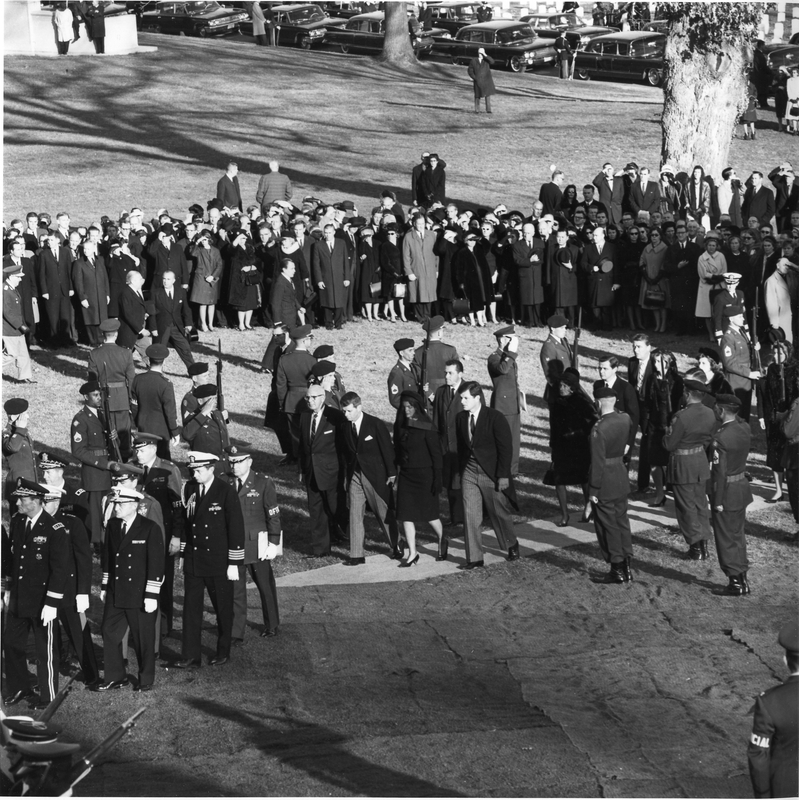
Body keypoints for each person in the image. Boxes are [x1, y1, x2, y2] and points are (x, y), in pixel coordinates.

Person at [1, 479, 70, 709]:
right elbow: (14, 560)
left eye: (22, 499)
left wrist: (52, 603)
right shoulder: (19, 521)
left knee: (45, 650)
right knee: (11, 644)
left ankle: (48, 696)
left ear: (37, 501)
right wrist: (8, 589)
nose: (17, 503)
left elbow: (60, 569)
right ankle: (19, 687)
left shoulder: (54, 529)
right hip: (19, 597)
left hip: (42, 601)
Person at [175, 451, 245, 669]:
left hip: (218, 561)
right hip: (195, 559)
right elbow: (187, 523)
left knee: (222, 609)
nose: (194, 475)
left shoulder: (225, 491)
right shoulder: (190, 488)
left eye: (198, 470)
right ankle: (190, 655)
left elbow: (235, 528)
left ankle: (223, 651)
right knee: (191, 609)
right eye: (192, 471)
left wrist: (234, 562)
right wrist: (183, 554)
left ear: (211, 469)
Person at [95, 486, 164, 692]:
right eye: (115, 503)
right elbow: (108, 557)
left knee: (143, 637)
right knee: (109, 631)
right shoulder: (113, 525)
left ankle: (146, 679)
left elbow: (156, 563)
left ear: (134, 505)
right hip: (117, 590)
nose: (116, 507)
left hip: (139, 593)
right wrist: (105, 585)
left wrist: (151, 594)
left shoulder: (149, 528)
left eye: (121, 504)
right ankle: (116, 677)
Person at [455, 381, 520, 569]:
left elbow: (505, 448)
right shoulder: (460, 418)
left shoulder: (495, 417)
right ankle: (474, 558)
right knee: (470, 514)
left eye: (465, 398)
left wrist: (503, 475)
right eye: (461, 398)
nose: (462, 402)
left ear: (477, 398)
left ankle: (511, 543)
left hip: (491, 473)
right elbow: (461, 447)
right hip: (469, 472)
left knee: (498, 511)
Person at [41, 484, 99, 689]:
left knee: (78, 633)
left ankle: (92, 675)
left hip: (69, 589)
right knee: (47, 635)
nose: (42, 505)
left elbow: (84, 559)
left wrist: (83, 592)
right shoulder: (37, 523)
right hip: (45, 588)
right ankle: (50, 673)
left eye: (46, 501)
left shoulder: (72, 524)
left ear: (57, 501)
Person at [226, 446, 281, 643]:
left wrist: (274, 543)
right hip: (233, 545)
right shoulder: (225, 482)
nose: (234, 466)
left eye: (239, 462)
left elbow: (273, 515)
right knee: (236, 590)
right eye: (231, 462)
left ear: (249, 462)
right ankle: (236, 631)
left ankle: (272, 624)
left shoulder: (263, 483)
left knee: (265, 586)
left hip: (257, 545)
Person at [340, 392, 401, 566]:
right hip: (354, 475)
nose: (346, 414)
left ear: (359, 407)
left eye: (349, 411)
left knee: (383, 512)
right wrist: (346, 476)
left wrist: (391, 474)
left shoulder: (375, 424)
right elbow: (346, 454)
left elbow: (387, 450)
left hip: (375, 476)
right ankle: (356, 555)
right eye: (344, 411)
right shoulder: (345, 426)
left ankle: (397, 544)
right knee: (354, 513)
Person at [133, 431, 184, 638]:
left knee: (163, 580)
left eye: (142, 450)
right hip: (138, 532)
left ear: (153, 449)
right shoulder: (132, 468)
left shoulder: (168, 469)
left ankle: (164, 625)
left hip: (163, 532)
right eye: (136, 450)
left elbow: (178, 506)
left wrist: (176, 536)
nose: (138, 454)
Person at [663, 378, 717, 561]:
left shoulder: (681, 416)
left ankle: (695, 547)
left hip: (683, 464)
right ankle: (704, 545)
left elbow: (670, 444)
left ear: (687, 394)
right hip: (700, 461)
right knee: (700, 505)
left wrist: (666, 433)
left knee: (686, 507)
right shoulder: (710, 413)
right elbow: (709, 439)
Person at [747, 619, 799, 799]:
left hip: (787, 789)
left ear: (785, 661)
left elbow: (758, 756)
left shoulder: (769, 700)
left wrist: (762, 795)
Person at [709, 394, 753, 595]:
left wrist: (717, 501)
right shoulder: (744, 428)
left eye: (716, 408)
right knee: (737, 536)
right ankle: (742, 578)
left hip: (726, 492)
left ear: (721, 410)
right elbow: (740, 420)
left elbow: (719, 473)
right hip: (740, 489)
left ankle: (735, 583)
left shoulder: (720, 438)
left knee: (725, 538)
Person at [393, 391, 444, 566]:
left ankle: (442, 538)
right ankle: (412, 553)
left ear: (417, 407)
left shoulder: (427, 426)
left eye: (410, 407)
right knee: (405, 514)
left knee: (430, 515)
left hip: (425, 475)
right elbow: (397, 450)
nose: (407, 410)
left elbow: (436, 455)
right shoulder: (400, 425)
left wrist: (437, 477)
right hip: (406, 475)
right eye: (404, 407)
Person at [588, 387, 633, 583]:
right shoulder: (625, 419)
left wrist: (593, 491)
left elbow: (597, 464)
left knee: (608, 526)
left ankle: (617, 569)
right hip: (620, 476)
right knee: (622, 522)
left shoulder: (598, 429)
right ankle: (626, 566)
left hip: (605, 481)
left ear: (598, 403)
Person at [298, 384, 348, 557]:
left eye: (313, 397)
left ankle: (352, 538)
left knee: (337, 508)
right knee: (316, 511)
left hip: (331, 472)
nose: (309, 401)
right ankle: (320, 549)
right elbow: (302, 445)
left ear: (323, 397)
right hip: (311, 471)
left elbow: (343, 447)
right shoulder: (304, 416)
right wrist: (302, 469)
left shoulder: (335, 416)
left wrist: (344, 472)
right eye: (307, 397)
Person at [71, 380, 119, 546]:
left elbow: (109, 444)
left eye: (100, 395)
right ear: (86, 397)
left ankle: (106, 542)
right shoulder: (80, 419)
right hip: (95, 473)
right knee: (96, 512)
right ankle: (96, 544)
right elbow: (78, 451)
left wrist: (115, 438)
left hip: (108, 471)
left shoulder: (102, 414)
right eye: (95, 395)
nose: (99, 398)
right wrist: (103, 464)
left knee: (108, 508)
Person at [549, 370, 597, 526]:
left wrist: (576, 433)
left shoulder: (582, 402)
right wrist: (553, 445)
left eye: (565, 386)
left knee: (583, 479)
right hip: (561, 447)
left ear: (572, 387)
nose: (561, 388)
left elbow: (591, 423)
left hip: (578, 447)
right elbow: (553, 426)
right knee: (559, 480)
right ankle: (564, 514)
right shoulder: (556, 402)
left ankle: (588, 508)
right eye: (560, 385)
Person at [88, 318, 135, 459]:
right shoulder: (126, 353)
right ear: (116, 334)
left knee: (106, 433)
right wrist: (131, 399)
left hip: (103, 399)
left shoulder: (94, 354)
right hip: (121, 399)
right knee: (124, 434)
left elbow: (92, 382)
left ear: (103, 334)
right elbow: (131, 379)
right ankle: (124, 461)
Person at [645, 350, 683, 507]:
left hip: (671, 424)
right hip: (655, 424)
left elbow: (678, 403)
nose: (656, 365)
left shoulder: (676, 381)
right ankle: (660, 494)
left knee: (672, 461)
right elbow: (648, 401)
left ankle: (677, 493)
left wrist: (672, 424)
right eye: (654, 361)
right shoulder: (651, 378)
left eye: (660, 361)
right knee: (654, 460)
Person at [488, 325, 527, 476]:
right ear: (502, 340)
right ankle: (504, 470)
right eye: (511, 339)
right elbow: (503, 369)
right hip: (503, 405)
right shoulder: (494, 357)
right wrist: (511, 352)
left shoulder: (507, 356)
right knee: (504, 440)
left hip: (513, 403)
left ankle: (513, 470)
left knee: (514, 440)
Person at [131, 344, 180, 460]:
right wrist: (174, 432)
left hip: (143, 428)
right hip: (161, 432)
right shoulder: (165, 384)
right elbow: (170, 412)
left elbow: (134, 407)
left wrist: (135, 425)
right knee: (162, 462)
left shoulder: (138, 380)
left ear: (149, 360)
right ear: (163, 362)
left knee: (145, 459)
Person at [276, 324, 316, 464]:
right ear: (305, 340)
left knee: (295, 433)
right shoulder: (313, 360)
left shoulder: (284, 359)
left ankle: (298, 459)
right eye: (310, 338)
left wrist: (282, 403)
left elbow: (280, 385)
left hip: (291, 400)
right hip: (310, 400)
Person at [432, 359, 465, 528]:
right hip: (446, 446)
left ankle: (471, 515)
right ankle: (456, 517)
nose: (446, 376)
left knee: (464, 482)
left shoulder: (469, 390)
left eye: (450, 373)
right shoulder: (441, 392)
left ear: (460, 374)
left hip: (463, 446)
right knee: (451, 482)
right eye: (445, 373)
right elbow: (436, 420)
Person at [593, 355, 639, 463]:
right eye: (600, 368)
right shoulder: (598, 385)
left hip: (620, 436)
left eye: (605, 368)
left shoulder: (625, 388)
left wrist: (629, 442)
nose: (601, 371)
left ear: (615, 369)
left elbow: (634, 417)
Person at [721, 305, 761, 421]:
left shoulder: (741, 332)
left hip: (745, 380)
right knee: (737, 414)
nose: (743, 318)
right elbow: (729, 363)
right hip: (737, 381)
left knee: (745, 412)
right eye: (739, 316)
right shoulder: (728, 337)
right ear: (731, 319)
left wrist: (755, 348)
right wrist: (749, 373)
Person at [153, 270, 194, 370]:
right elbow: (152, 313)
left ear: (174, 280)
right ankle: (156, 371)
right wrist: (153, 328)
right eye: (164, 279)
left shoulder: (181, 292)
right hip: (162, 327)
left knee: (185, 348)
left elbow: (186, 309)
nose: (165, 281)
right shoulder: (156, 293)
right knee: (159, 351)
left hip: (176, 326)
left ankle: (193, 371)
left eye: (168, 279)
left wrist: (188, 323)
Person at [412, 315, 459, 401]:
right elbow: (456, 374)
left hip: (427, 397)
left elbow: (418, 377)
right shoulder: (451, 350)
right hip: (448, 395)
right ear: (439, 333)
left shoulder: (418, 353)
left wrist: (430, 395)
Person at [313, 223, 350, 330]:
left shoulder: (341, 243)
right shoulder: (318, 245)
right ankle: (328, 323)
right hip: (326, 277)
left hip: (339, 277)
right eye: (326, 233)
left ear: (334, 232)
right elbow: (316, 264)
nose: (327, 235)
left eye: (330, 233)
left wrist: (347, 277)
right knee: (327, 301)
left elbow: (345, 261)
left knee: (339, 300)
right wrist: (319, 280)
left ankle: (338, 323)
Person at [403, 214, 438, 322]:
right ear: (414, 224)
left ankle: (427, 315)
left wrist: (436, 269)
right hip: (416, 269)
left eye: (423, 223)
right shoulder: (408, 237)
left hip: (430, 269)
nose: (421, 226)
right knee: (417, 292)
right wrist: (409, 272)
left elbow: (436, 254)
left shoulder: (431, 235)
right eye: (419, 224)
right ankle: (419, 316)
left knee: (429, 292)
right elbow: (406, 256)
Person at [2, 263, 34, 383]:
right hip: (10, 330)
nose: (20, 280)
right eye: (18, 277)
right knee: (11, 355)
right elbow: (7, 312)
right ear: (11, 277)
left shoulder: (11, 289)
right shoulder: (5, 290)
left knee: (23, 354)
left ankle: (25, 377)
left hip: (17, 329)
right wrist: (20, 325)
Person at [188, 230, 223, 332]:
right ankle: (203, 324)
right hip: (201, 278)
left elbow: (219, 265)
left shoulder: (216, 251)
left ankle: (210, 324)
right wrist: (197, 242)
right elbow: (192, 253)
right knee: (202, 303)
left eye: (205, 239)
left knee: (212, 303)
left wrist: (213, 276)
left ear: (209, 239)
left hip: (212, 279)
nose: (204, 241)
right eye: (202, 239)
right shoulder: (198, 249)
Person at [3, 398, 36, 498]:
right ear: (13, 417)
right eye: (23, 414)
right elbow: (13, 447)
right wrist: (20, 429)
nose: (27, 416)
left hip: (29, 484)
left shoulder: (20, 431)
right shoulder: (7, 433)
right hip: (18, 487)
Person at [639, 227, 670, 333]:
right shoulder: (646, 248)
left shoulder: (665, 248)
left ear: (660, 236)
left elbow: (665, 264)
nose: (654, 237)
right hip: (649, 278)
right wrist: (647, 277)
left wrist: (657, 278)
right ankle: (657, 324)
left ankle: (663, 324)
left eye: (656, 235)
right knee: (653, 302)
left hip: (660, 278)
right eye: (652, 235)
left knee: (662, 303)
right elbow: (641, 262)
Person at [388, 337, 419, 411]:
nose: (413, 353)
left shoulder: (413, 367)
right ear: (401, 353)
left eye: (413, 350)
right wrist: (410, 409)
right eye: (410, 350)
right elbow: (395, 400)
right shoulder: (396, 373)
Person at [467, 48, 495, 114]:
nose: (480, 54)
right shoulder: (474, 61)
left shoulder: (486, 60)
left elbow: (492, 62)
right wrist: (474, 77)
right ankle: (477, 110)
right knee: (477, 95)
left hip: (487, 80)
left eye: (482, 53)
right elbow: (470, 70)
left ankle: (488, 110)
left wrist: (485, 55)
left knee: (487, 95)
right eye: (479, 53)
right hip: (478, 81)